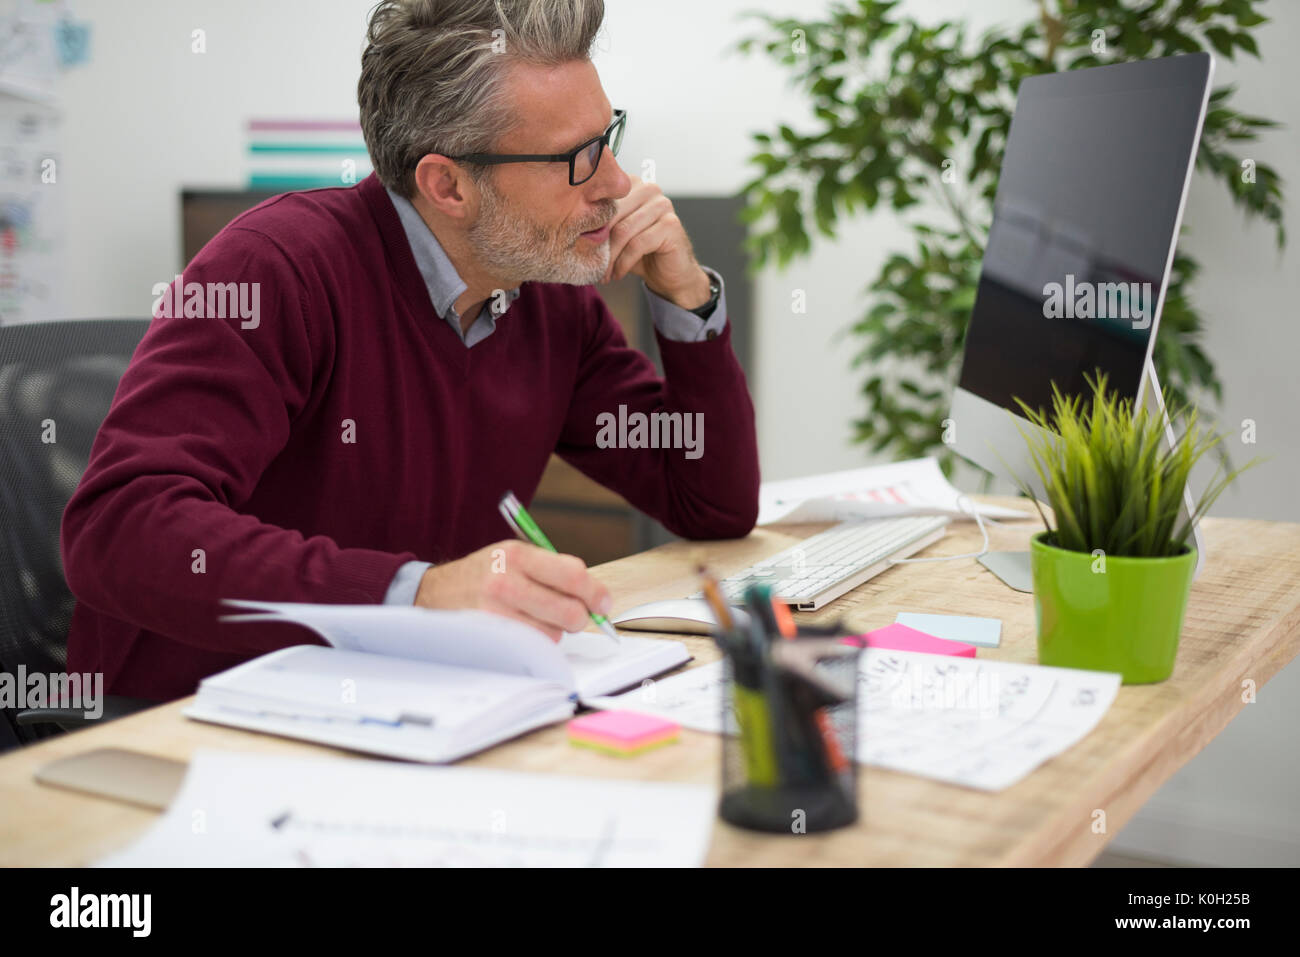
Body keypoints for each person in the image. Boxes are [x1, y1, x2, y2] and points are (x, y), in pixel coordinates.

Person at [61, 0, 759, 701]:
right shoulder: (274, 267)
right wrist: (416, 594)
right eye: (576, 159)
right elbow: (118, 528)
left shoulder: (544, 292)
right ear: (447, 185)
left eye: (607, 136)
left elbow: (710, 503)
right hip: (194, 716)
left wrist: (686, 296)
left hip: (403, 702)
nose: (616, 183)